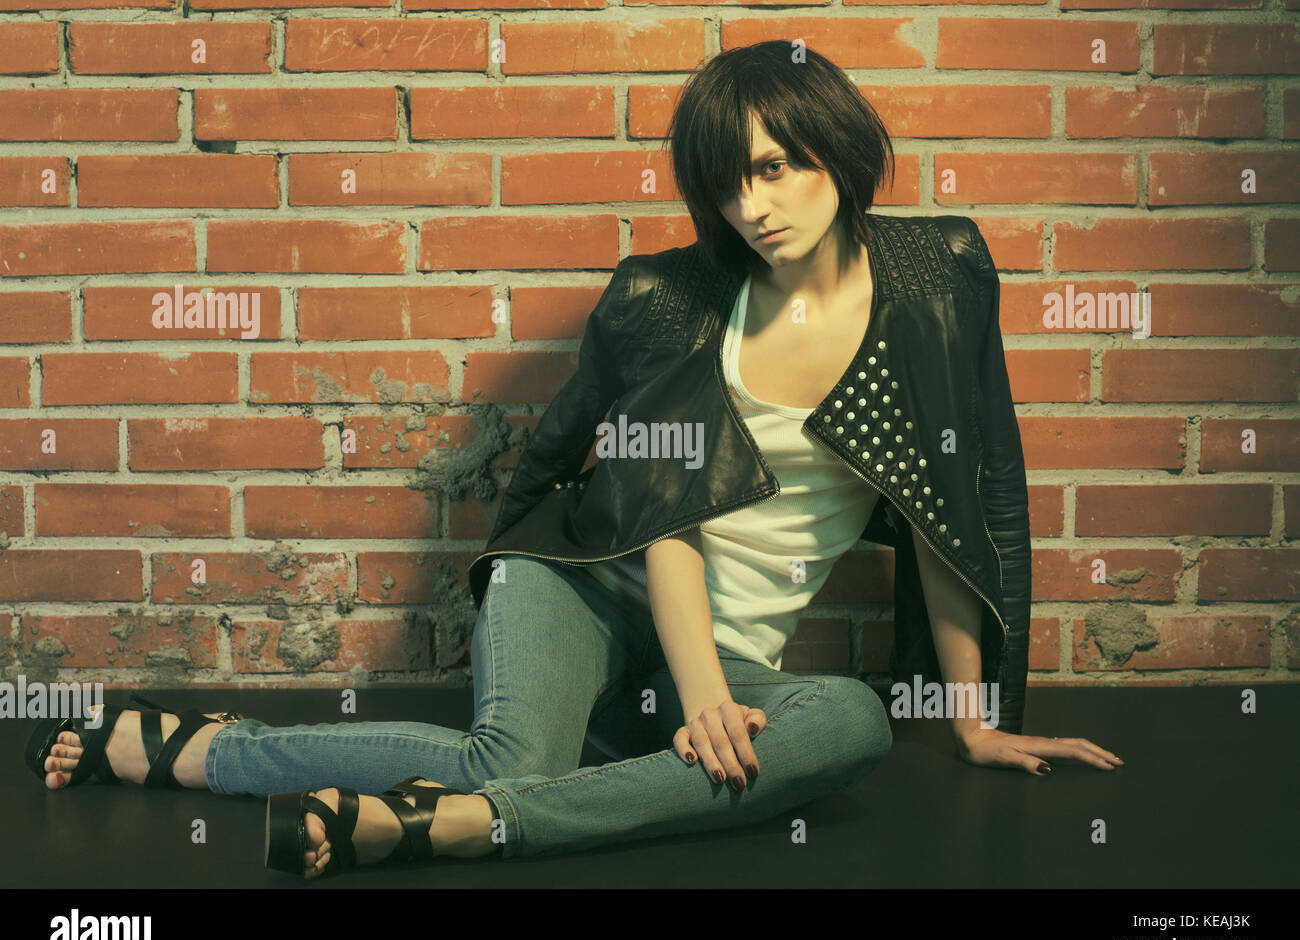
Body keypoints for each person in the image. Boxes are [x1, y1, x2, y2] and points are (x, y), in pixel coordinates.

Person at [27, 41, 1122, 880]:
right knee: (508, 753)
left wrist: (970, 719)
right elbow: (667, 517)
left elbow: (957, 505)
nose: (753, 207)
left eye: (777, 168)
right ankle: (210, 751)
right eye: (728, 184)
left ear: (837, 146)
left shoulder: (940, 278)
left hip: (722, 658)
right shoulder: (675, 301)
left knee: (853, 722)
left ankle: (459, 818)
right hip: (585, 582)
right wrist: (698, 698)